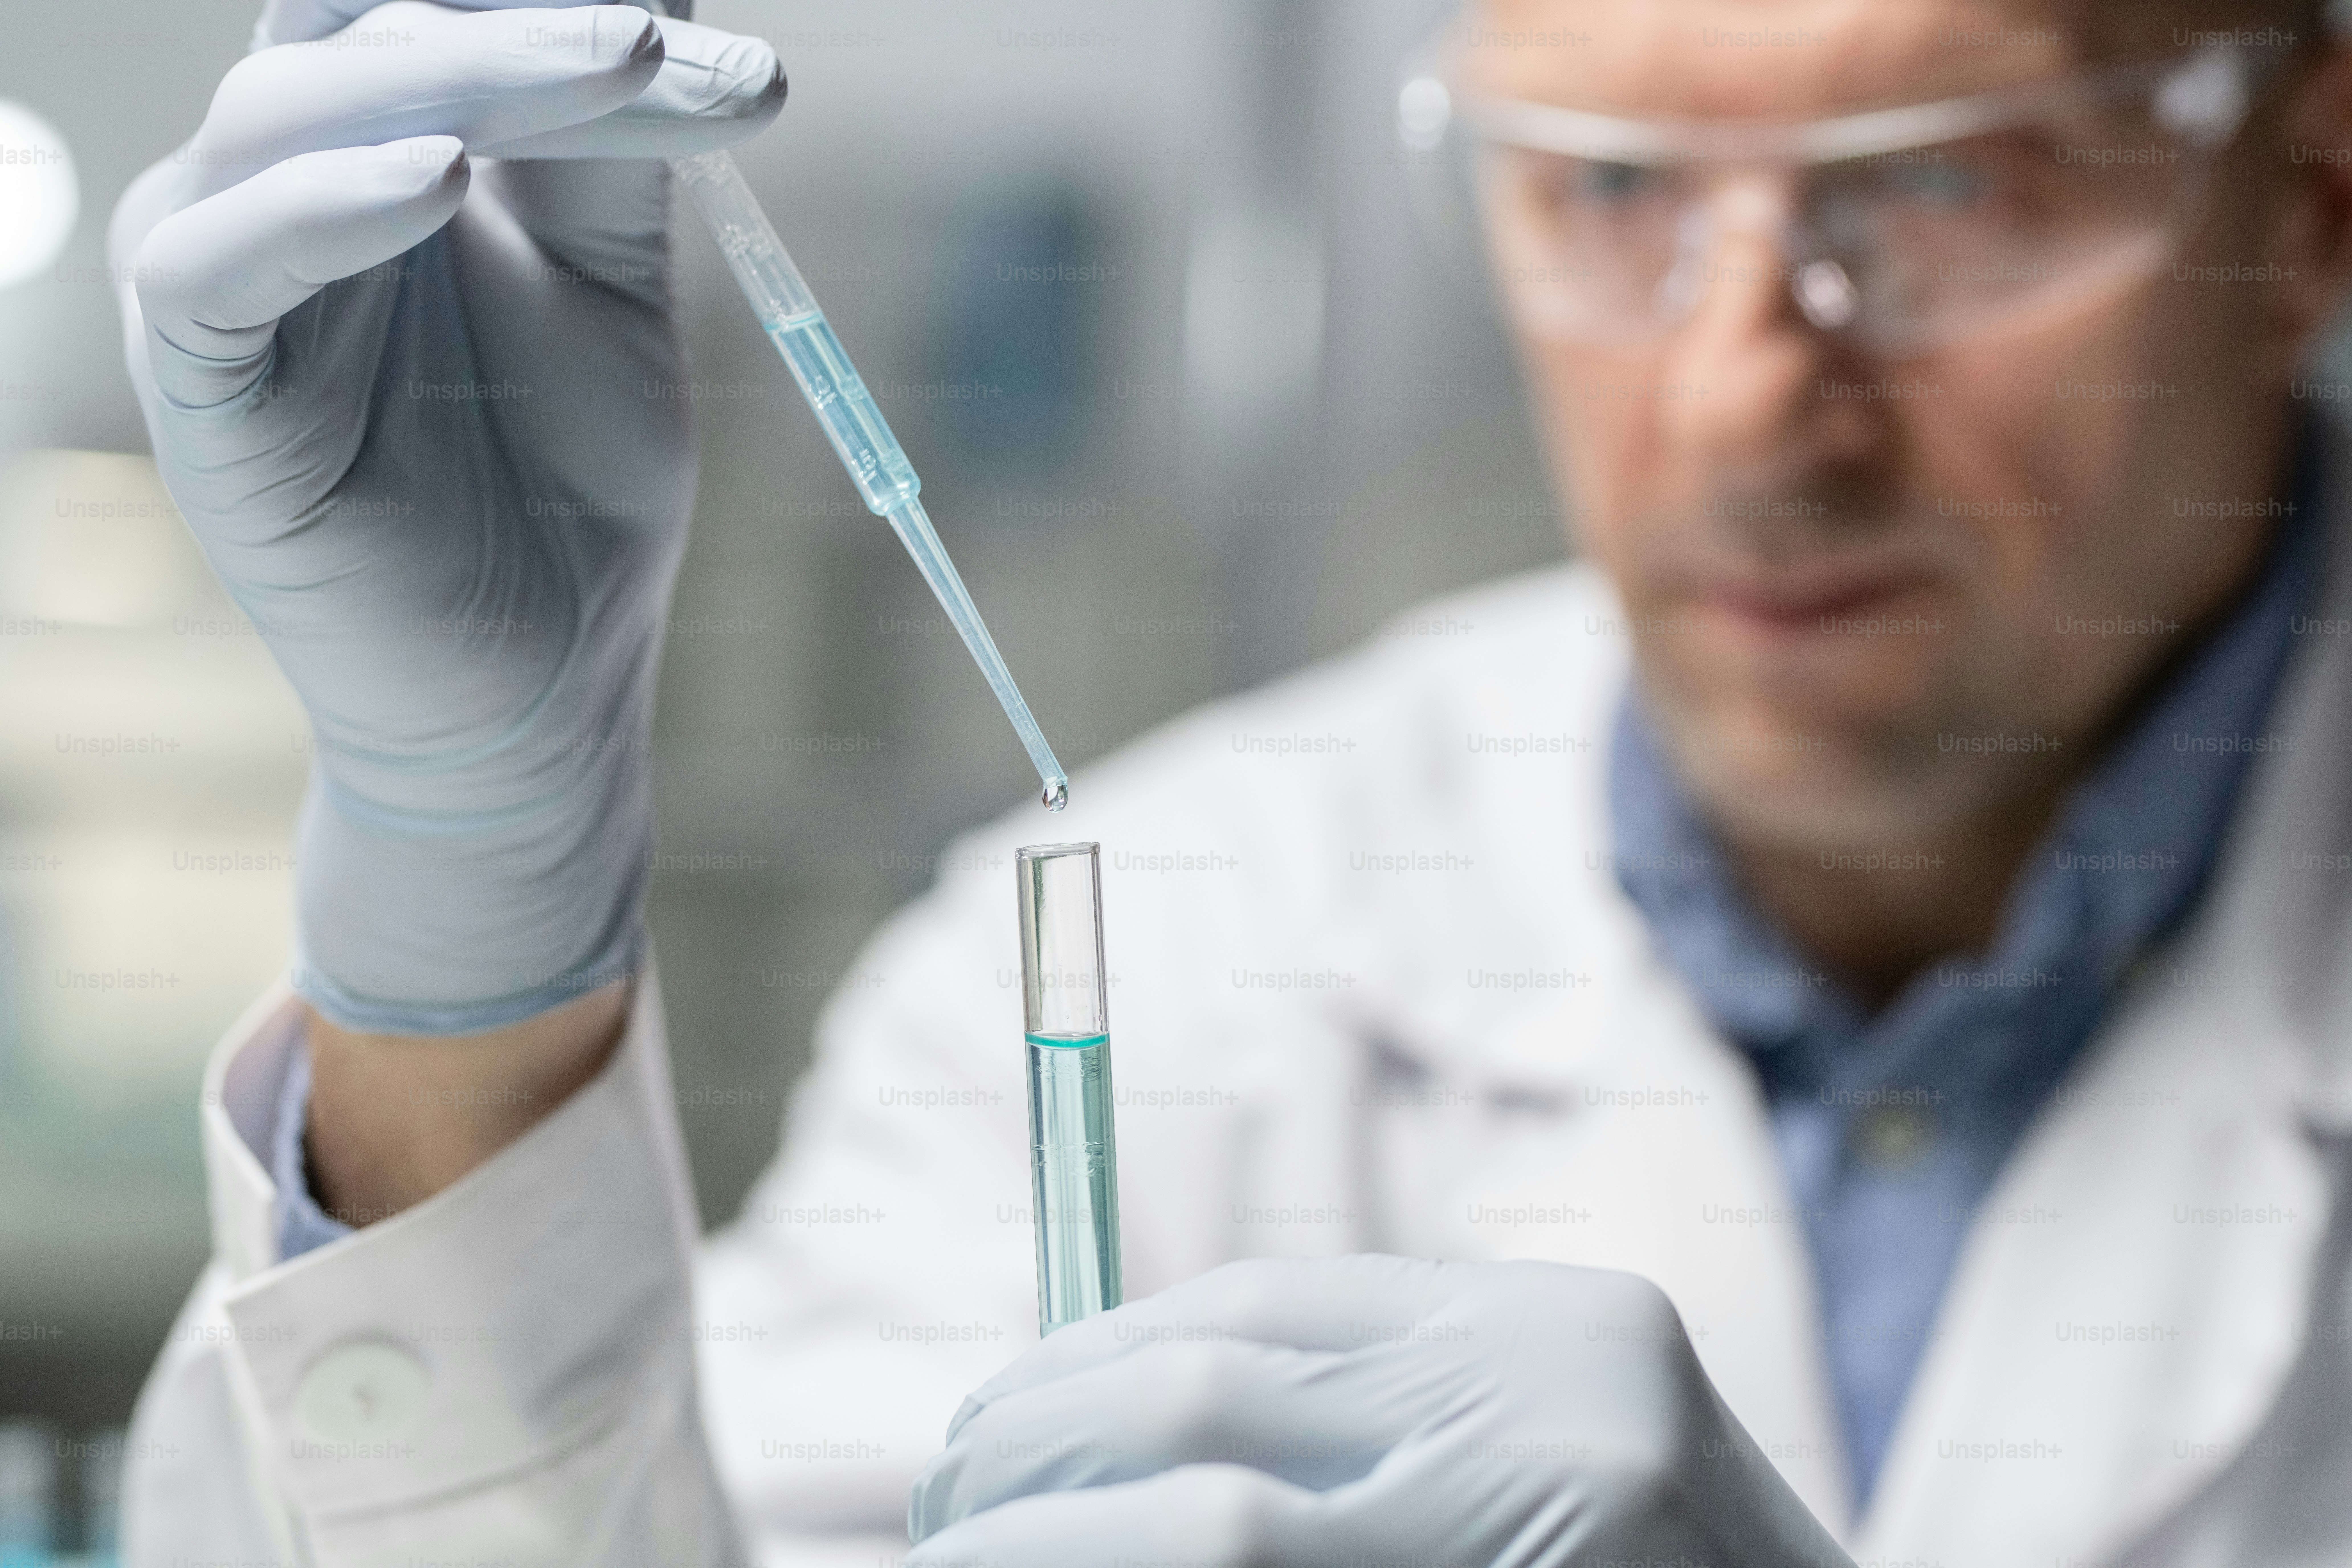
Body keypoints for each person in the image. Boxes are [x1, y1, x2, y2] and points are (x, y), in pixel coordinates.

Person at [107, 0, 2352, 1563]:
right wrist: (462, 919)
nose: (1748, 401)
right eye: (1604, 188)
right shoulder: (1192, 921)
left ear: (2313, 190)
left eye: (1938, 186)